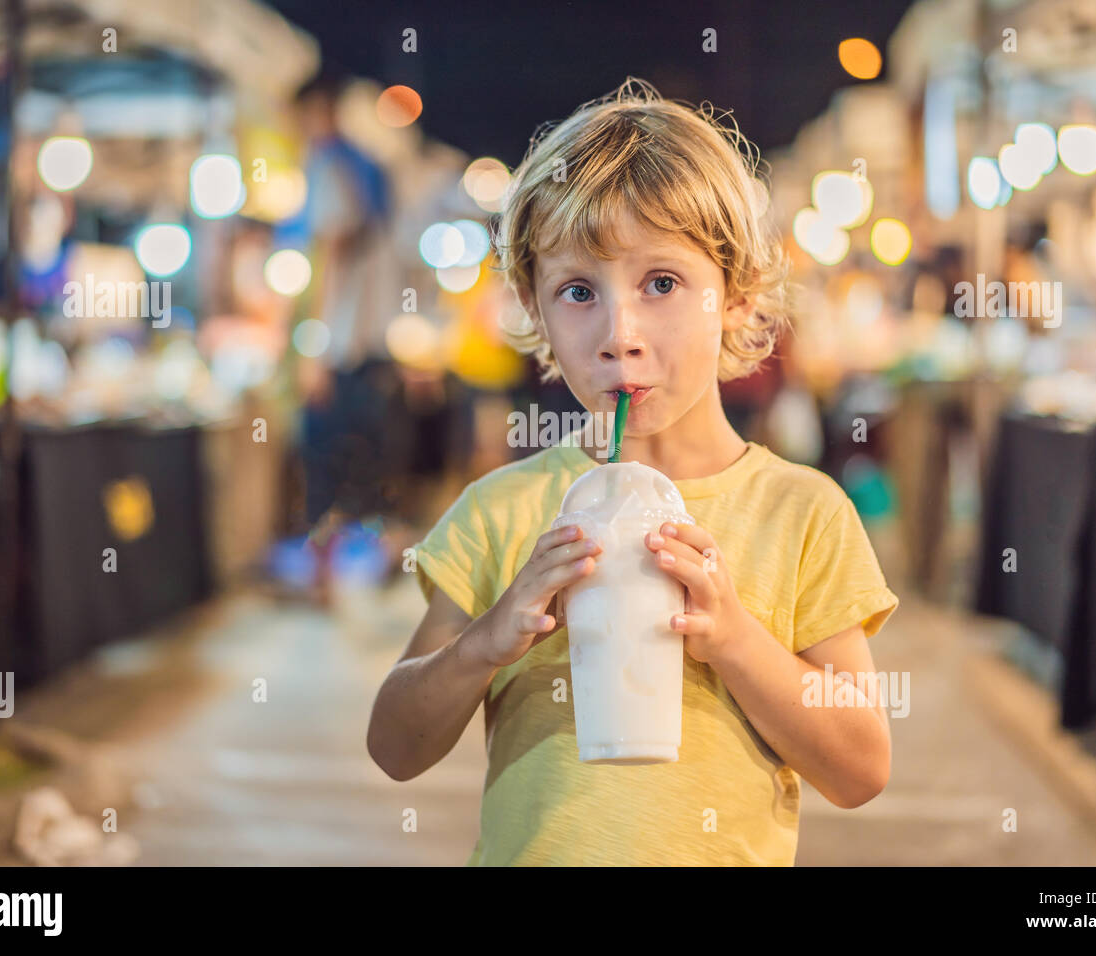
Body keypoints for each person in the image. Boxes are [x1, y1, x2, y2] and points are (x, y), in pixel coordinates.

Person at [366, 78, 899, 866]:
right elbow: (394, 746)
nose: (620, 333)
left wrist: (736, 641)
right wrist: (487, 640)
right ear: (534, 309)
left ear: (741, 297)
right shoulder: (502, 513)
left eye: (662, 283)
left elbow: (860, 766)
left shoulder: (802, 513)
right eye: (578, 292)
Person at [288, 74, 403, 608]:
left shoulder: (329, 163)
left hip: (342, 349)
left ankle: (323, 578)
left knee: (322, 462)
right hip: (376, 346)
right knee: (369, 459)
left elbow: (329, 261)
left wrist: (313, 348)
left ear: (318, 111)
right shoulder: (373, 168)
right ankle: (385, 550)